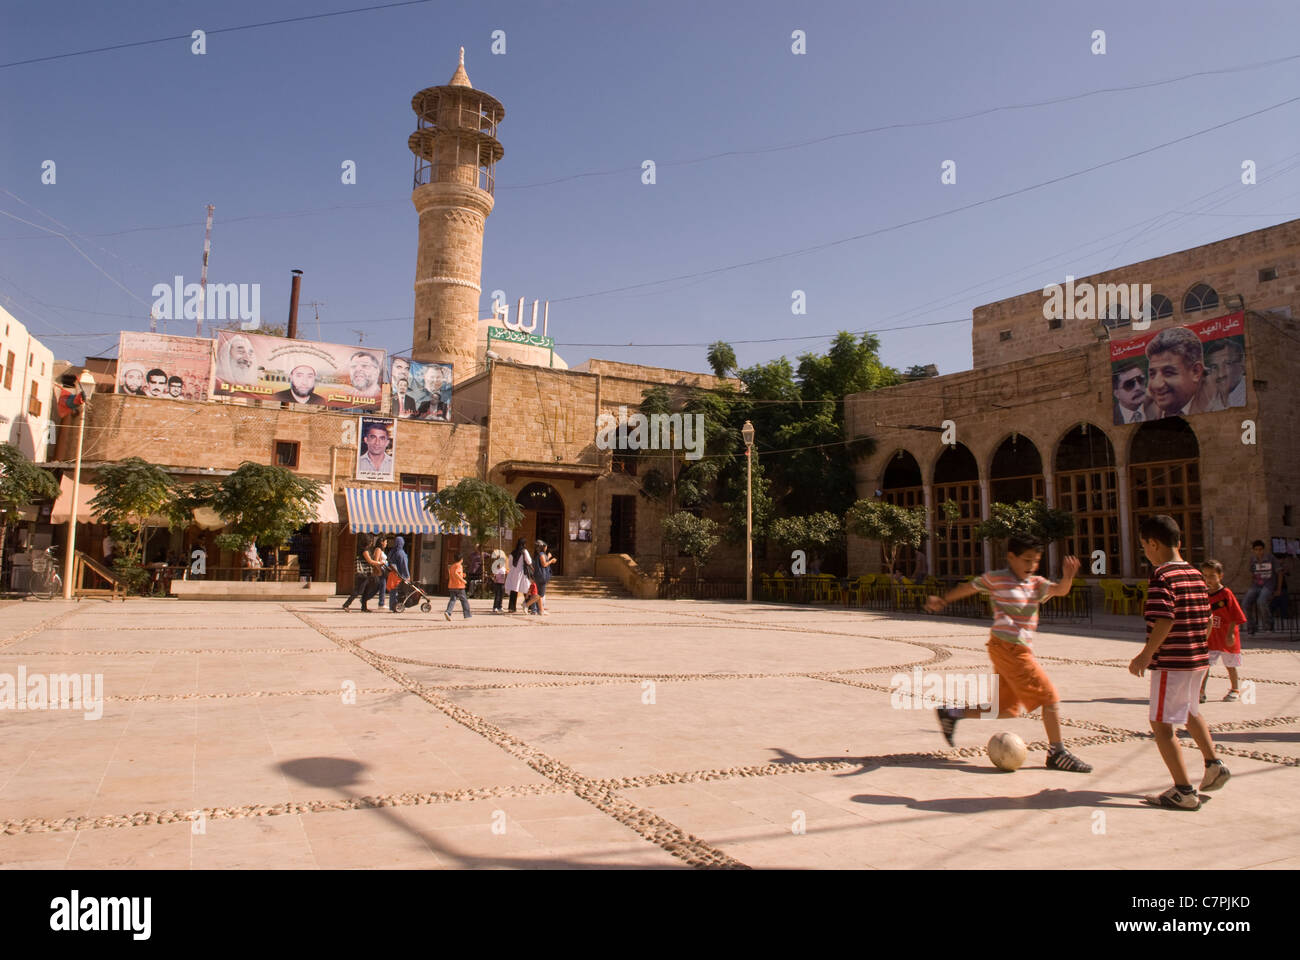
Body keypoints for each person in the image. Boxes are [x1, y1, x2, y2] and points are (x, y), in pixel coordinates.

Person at [925, 536, 1092, 772]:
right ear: (1010, 557)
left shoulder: (1036, 584)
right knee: (1049, 698)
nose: (1031, 565)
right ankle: (1057, 753)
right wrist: (943, 600)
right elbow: (968, 588)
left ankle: (951, 712)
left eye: (1035, 561)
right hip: (1008, 648)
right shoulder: (997, 579)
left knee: (1004, 709)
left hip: (1014, 649)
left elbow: (1061, 590)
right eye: (1026, 560)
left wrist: (1068, 576)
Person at [1128, 514, 1229, 809]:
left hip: (1172, 662)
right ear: (1179, 542)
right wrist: (1199, 643)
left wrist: (1146, 655)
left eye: (1144, 547)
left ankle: (1183, 790)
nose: (1145, 553)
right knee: (1190, 712)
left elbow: (1164, 619)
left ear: (1153, 544)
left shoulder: (1162, 577)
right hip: (1197, 659)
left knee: (1160, 724)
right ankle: (1214, 763)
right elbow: (1208, 619)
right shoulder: (1197, 575)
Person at [1144, 326, 1222, 418]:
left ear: (1196, 372)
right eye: (1152, 374)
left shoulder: (1223, 402)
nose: (1156, 385)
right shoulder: (1146, 407)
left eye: (1168, 373)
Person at [1198, 560, 1247, 703]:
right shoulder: (1204, 594)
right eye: (1205, 576)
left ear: (1220, 576)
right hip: (1211, 636)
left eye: (1212, 576)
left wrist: (1231, 632)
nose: (1208, 579)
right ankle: (1201, 691)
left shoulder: (1226, 594)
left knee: (1230, 665)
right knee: (1205, 665)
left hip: (1226, 635)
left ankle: (1235, 689)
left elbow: (1235, 615)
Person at [1244, 539, 1278, 635]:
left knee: (1261, 601)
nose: (1259, 552)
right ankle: (1251, 627)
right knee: (1245, 603)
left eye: (1260, 549)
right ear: (1253, 550)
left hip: (1268, 584)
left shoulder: (1271, 558)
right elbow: (1252, 573)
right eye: (1256, 550)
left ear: (1263, 549)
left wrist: (1278, 589)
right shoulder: (1252, 560)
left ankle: (1268, 626)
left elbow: (1279, 573)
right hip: (1256, 585)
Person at [1111, 358, 1157, 424]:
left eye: (1140, 380)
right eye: (1129, 384)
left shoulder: (1158, 405)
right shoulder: (1111, 417)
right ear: (1117, 394)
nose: (1138, 387)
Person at [1204, 338, 1247, 409]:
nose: (1221, 374)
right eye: (1214, 367)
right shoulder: (1210, 401)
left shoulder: (1252, 393)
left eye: (1227, 364)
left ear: (1242, 365)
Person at [342, 534, 380, 612]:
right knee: (358, 590)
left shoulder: (367, 550)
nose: (372, 542)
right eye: (371, 540)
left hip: (367, 573)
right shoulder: (364, 551)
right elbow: (370, 561)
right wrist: (379, 563)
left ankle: (364, 607)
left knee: (366, 590)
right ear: (368, 542)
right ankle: (346, 604)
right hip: (363, 574)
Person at [505, 537, 532, 613]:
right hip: (522, 573)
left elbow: (510, 565)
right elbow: (529, 561)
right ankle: (529, 606)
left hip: (513, 573)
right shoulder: (524, 551)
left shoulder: (512, 552)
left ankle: (511, 608)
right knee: (526, 589)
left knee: (514, 590)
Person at [444, 552, 471, 620]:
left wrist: (462, 575)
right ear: (461, 559)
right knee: (464, 600)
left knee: (452, 600)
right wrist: (463, 580)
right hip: (459, 586)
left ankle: (448, 612)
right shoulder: (459, 565)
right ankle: (467, 615)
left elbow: (453, 574)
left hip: (452, 586)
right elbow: (456, 573)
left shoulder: (452, 566)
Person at [387, 536, 410, 612]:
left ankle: (392, 606)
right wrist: (407, 576)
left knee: (393, 591)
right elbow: (404, 565)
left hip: (392, 574)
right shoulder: (401, 553)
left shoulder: (392, 552)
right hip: (399, 575)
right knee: (399, 591)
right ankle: (397, 606)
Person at [534, 540, 554, 615]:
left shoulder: (541, 554)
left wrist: (548, 557)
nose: (546, 548)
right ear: (543, 547)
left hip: (540, 576)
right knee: (540, 594)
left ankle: (539, 609)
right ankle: (527, 604)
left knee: (540, 593)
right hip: (541, 576)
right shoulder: (541, 554)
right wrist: (551, 561)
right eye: (546, 547)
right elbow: (544, 564)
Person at [373, 536, 389, 608]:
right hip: (380, 570)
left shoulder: (381, 550)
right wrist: (379, 570)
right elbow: (376, 561)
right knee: (382, 586)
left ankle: (381, 602)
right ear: (382, 542)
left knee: (381, 587)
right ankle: (381, 603)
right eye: (385, 542)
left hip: (383, 570)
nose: (386, 543)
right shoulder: (378, 549)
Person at [490, 548, 507, 613]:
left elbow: (505, 575)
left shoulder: (503, 568)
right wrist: (494, 579)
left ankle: (500, 606)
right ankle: (495, 607)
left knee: (501, 596)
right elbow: (493, 575)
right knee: (497, 596)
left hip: (502, 583)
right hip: (497, 583)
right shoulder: (495, 568)